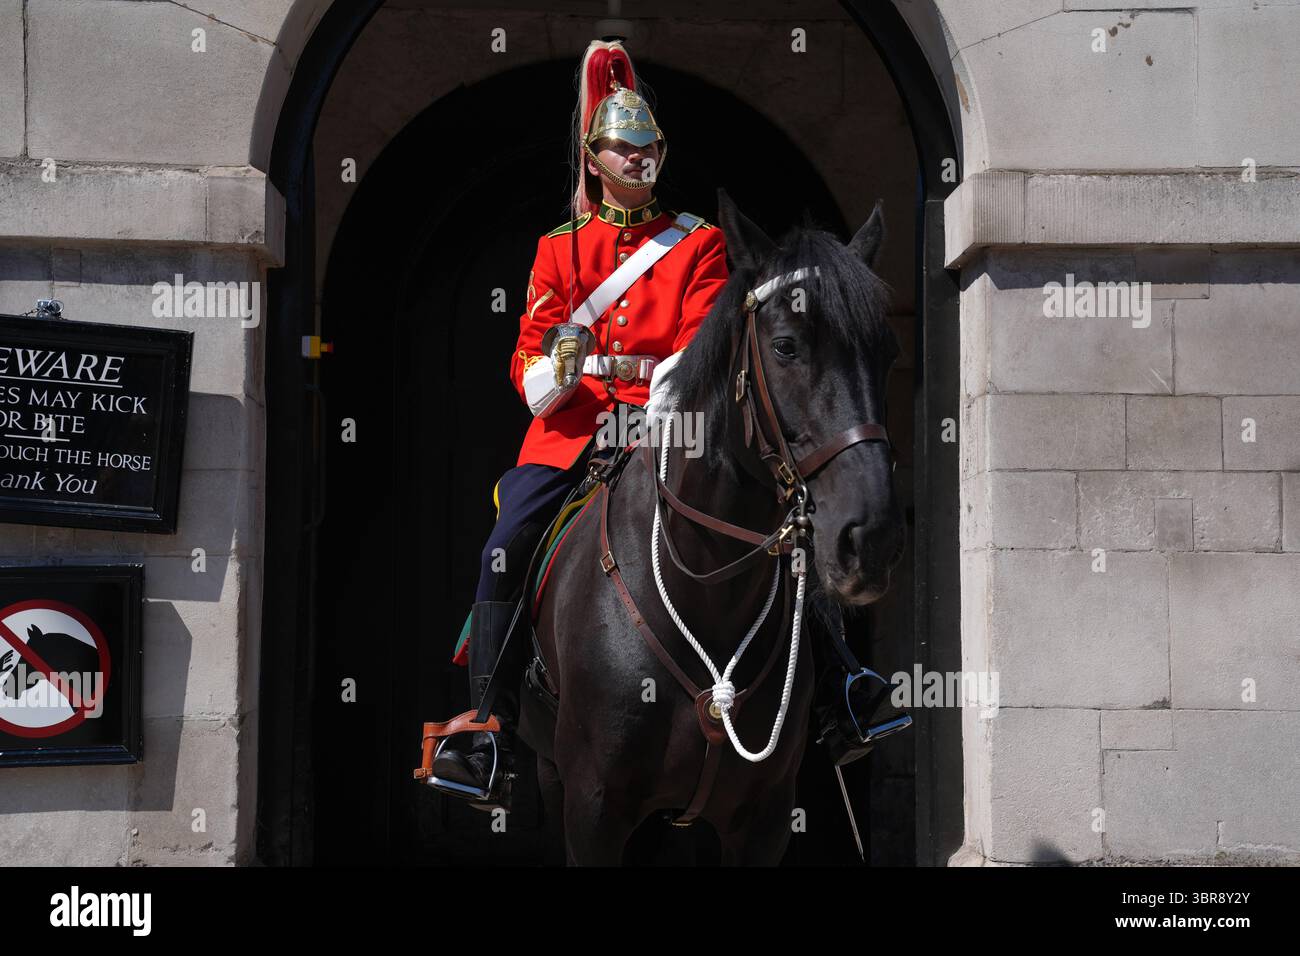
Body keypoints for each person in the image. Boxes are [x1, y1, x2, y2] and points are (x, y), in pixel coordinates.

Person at [430, 39, 909, 808]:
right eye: (625, 147)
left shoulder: (698, 244)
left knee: (785, 521)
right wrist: (553, 375)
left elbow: (701, 346)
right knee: (503, 544)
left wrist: (657, 409)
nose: (641, 158)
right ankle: (486, 728)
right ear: (595, 158)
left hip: (670, 428)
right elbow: (528, 351)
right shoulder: (560, 251)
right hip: (572, 433)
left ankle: (843, 691)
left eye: (650, 147)